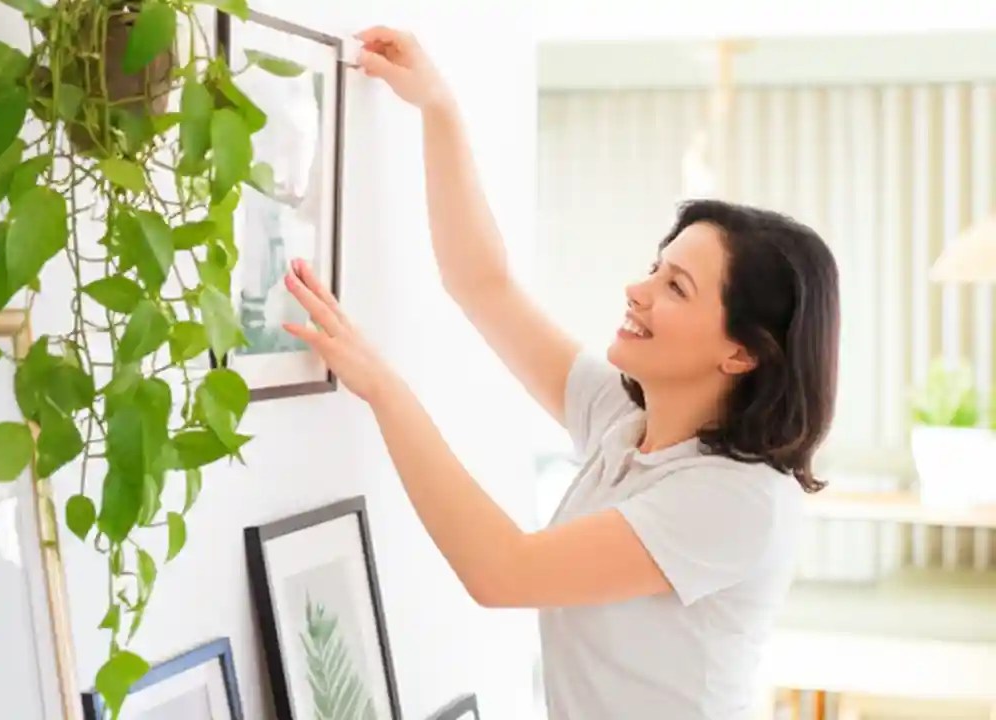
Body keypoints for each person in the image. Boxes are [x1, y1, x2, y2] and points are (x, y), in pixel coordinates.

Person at [280, 26, 841, 720]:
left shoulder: (740, 499)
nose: (638, 290)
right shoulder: (624, 421)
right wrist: (440, 110)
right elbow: (481, 283)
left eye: (677, 288)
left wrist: (383, 389)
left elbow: (503, 570)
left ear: (742, 353)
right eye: (655, 269)